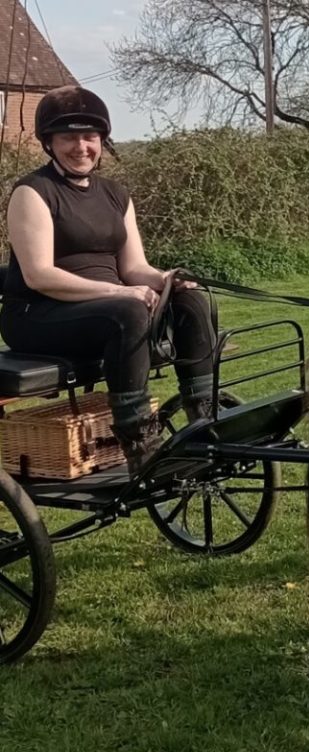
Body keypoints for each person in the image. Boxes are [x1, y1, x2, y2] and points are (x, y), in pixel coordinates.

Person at [0, 85, 216, 474]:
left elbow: (135, 267)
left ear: (101, 141)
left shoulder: (115, 194)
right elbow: (39, 275)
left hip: (107, 308)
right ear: (49, 143)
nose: (80, 146)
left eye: (90, 136)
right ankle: (139, 442)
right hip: (39, 314)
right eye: (68, 137)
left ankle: (203, 419)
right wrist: (121, 292)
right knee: (129, 311)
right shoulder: (33, 192)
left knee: (192, 300)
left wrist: (166, 278)